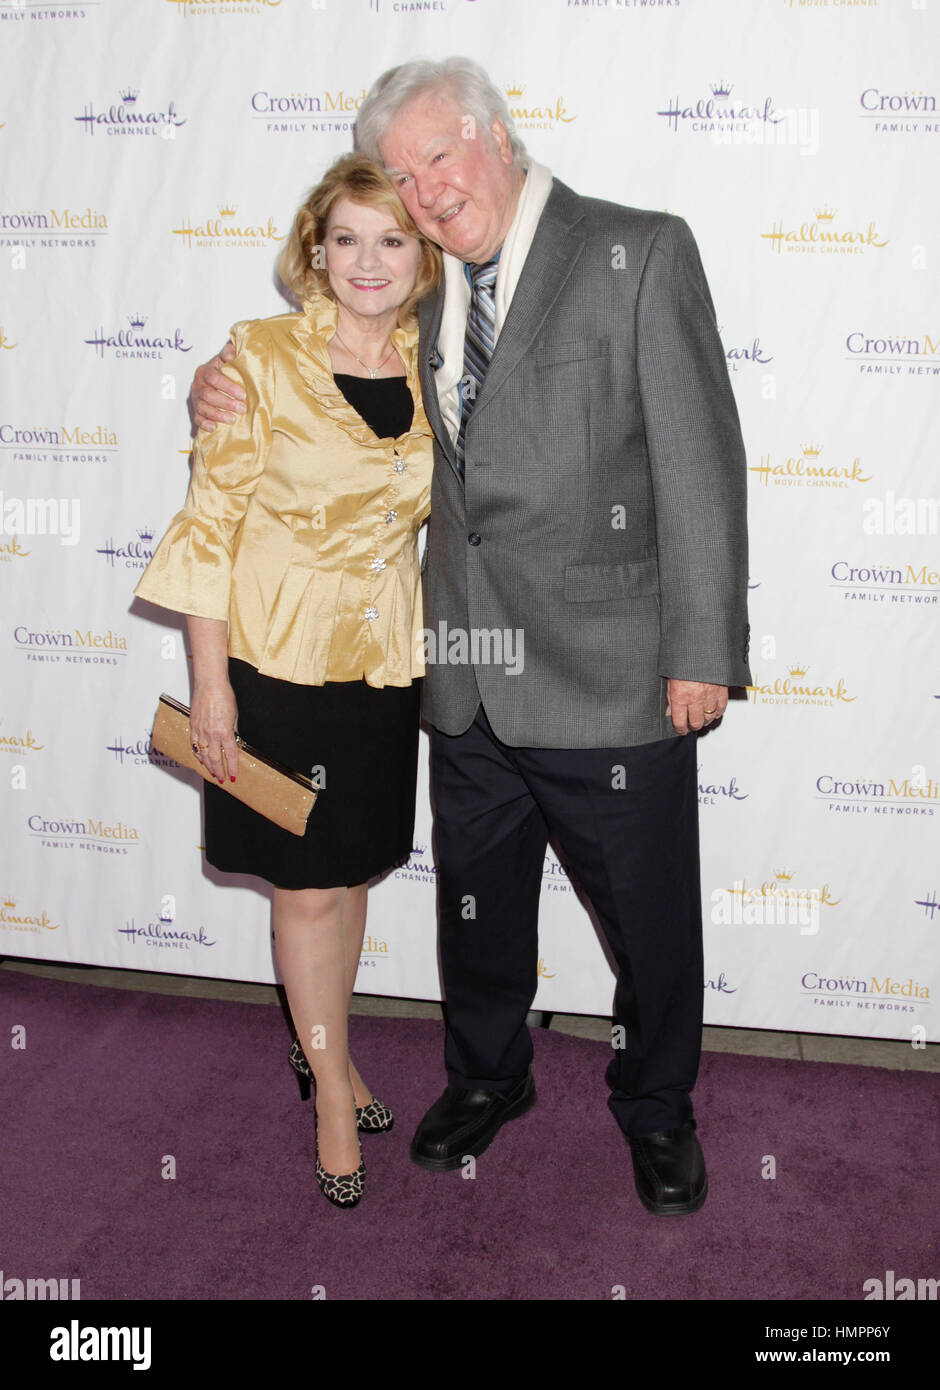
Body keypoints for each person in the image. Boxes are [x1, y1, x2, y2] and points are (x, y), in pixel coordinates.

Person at [190, 58, 751, 1217]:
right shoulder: (423, 283)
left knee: (647, 921)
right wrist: (219, 379)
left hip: (611, 679)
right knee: (478, 912)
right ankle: (488, 1078)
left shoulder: (637, 250)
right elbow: (325, 359)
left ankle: (656, 1106)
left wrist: (703, 645)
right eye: (402, 175)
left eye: (437, 157)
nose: (425, 191)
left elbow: (700, 459)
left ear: (497, 134)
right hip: (459, 679)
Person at [136, 153, 440, 1208]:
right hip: (273, 666)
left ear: (422, 258)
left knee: (351, 877)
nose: (368, 260)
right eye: (347, 237)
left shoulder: (432, 366)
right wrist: (209, 685)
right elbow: (209, 529)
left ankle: (333, 1049)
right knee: (307, 894)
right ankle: (324, 1094)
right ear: (317, 248)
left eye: (392, 239)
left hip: (382, 668)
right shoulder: (255, 360)